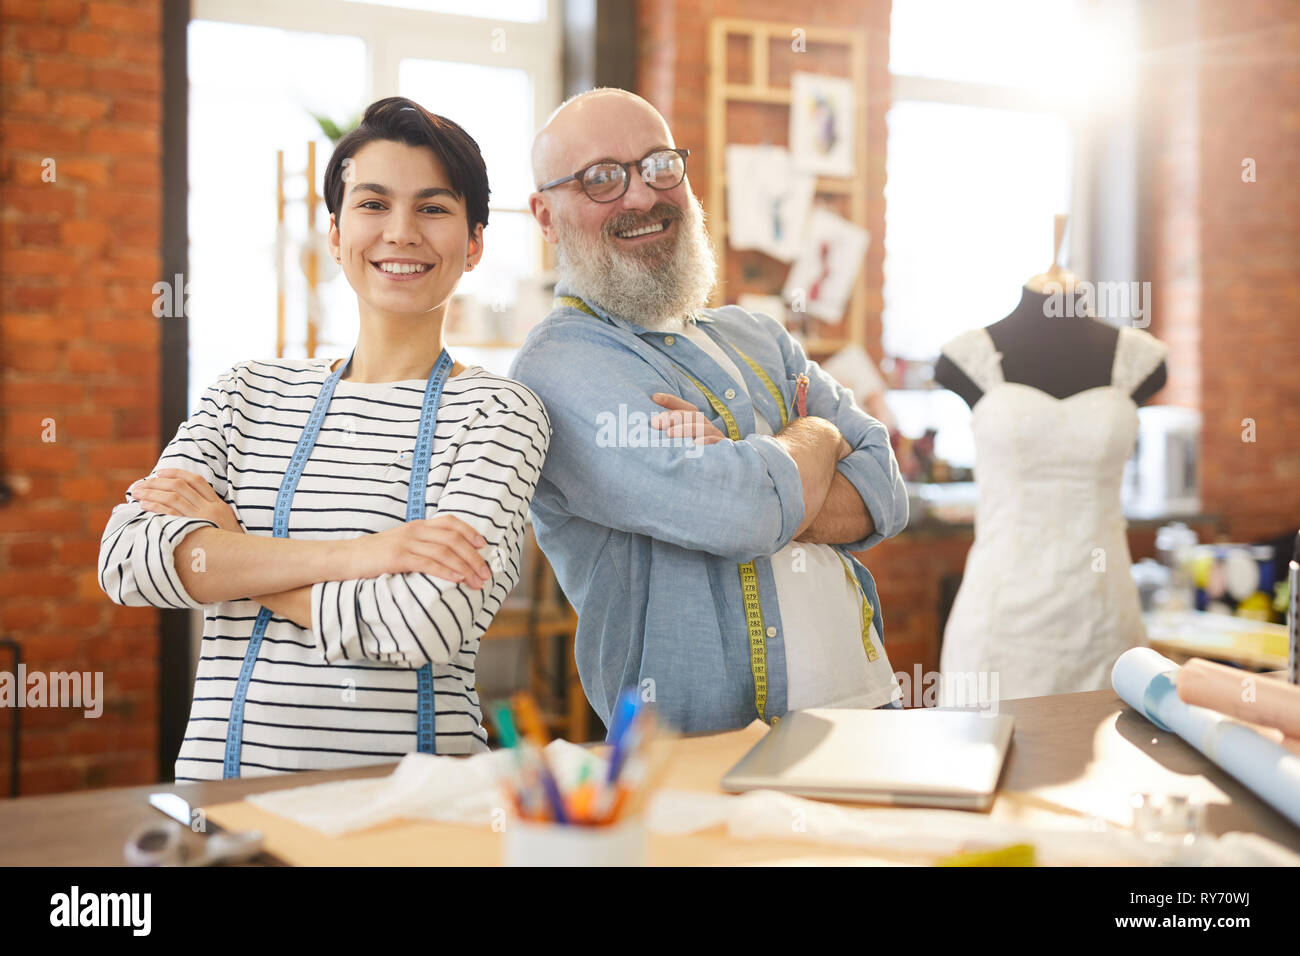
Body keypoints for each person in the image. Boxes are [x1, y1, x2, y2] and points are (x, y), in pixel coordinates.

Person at [98, 97, 551, 780]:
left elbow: (419, 626)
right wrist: (371, 553)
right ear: (337, 235)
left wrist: (230, 550)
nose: (401, 232)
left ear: (475, 243)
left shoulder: (499, 414)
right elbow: (128, 562)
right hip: (224, 805)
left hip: (409, 812)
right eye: (374, 204)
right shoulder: (246, 392)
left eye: (432, 208)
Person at [509, 89, 908, 735]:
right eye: (601, 179)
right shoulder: (559, 367)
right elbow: (738, 513)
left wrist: (745, 460)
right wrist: (820, 434)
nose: (640, 196)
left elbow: (886, 492)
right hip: (717, 749)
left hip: (870, 708)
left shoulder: (758, 334)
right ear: (545, 216)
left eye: (658, 165)